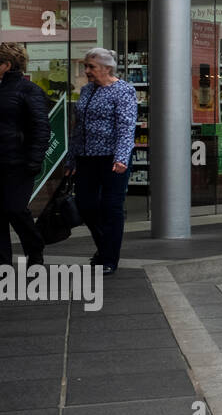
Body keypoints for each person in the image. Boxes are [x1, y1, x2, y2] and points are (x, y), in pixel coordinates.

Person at [68, 48, 138, 276]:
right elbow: (77, 128)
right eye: (86, 66)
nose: (87, 71)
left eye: (91, 67)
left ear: (107, 68)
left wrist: (121, 157)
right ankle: (104, 247)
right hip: (86, 158)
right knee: (86, 205)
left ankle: (109, 258)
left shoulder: (123, 90)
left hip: (112, 159)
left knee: (111, 207)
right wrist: (71, 159)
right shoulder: (87, 90)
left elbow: (126, 127)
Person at [0, 43, 51, 269]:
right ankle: (3, 264)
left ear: (6, 65)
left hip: (19, 163)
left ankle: (35, 247)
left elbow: (41, 128)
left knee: (15, 209)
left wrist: (34, 160)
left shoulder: (29, 91)